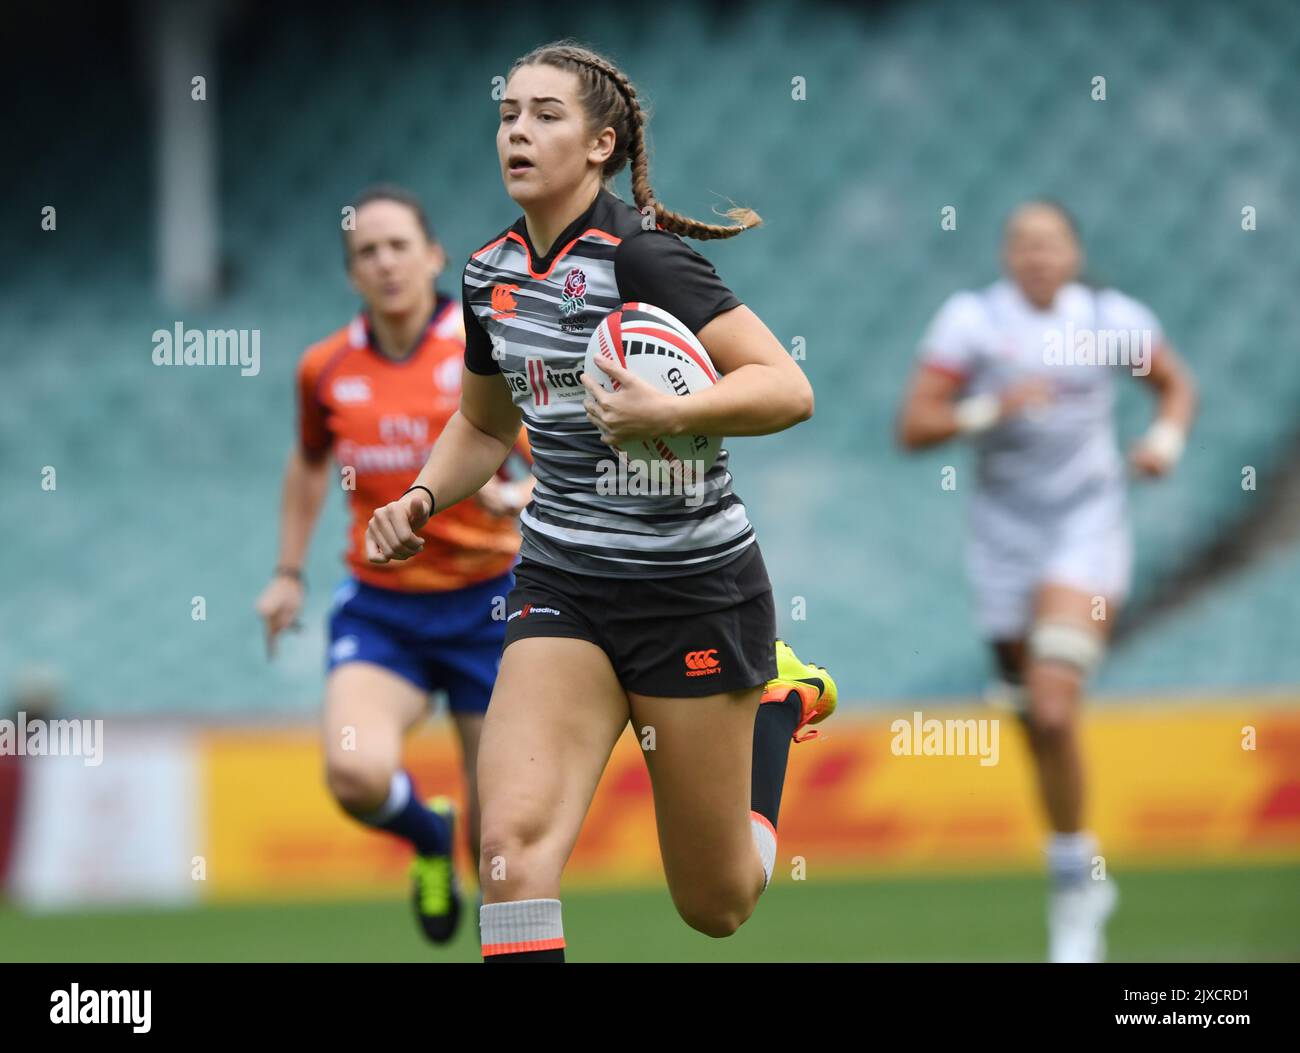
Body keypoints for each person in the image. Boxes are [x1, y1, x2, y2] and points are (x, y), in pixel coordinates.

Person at [365, 42, 835, 962]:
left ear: (600, 144)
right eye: (507, 113)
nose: (518, 131)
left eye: (546, 114)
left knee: (718, 902)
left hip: (692, 591)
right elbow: (486, 428)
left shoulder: (646, 260)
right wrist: (421, 493)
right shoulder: (486, 274)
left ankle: (777, 702)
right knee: (509, 850)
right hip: (564, 584)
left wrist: (673, 409)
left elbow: (788, 388)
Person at [896, 199, 1197, 962]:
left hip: (1085, 527)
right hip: (1003, 540)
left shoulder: (1106, 315)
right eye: (1023, 244)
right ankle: (1079, 857)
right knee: (1031, 711)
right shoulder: (973, 321)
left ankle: (1072, 886)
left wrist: (1162, 440)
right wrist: (991, 407)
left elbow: (1174, 386)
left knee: (1055, 707)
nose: (1037, 256)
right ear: (1006, 254)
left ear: (1073, 252)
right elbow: (915, 426)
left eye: (1052, 243)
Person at [256, 184, 532, 944]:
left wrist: (522, 497)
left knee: (501, 840)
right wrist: (288, 571)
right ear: (351, 273)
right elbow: (311, 462)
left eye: (398, 246)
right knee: (355, 773)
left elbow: (554, 460)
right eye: (365, 252)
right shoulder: (325, 368)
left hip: (492, 607)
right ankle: (425, 835)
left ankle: (477, 883)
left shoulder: (487, 352)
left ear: (435, 256)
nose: (384, 263)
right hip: (385, 610)